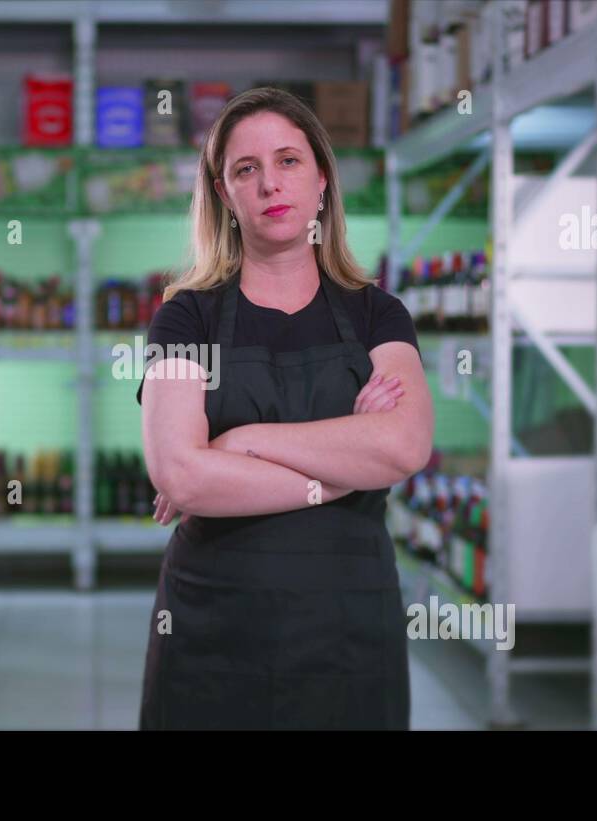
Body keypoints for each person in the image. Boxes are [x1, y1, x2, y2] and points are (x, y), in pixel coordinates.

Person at [135, 87, 433, 730]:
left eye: (289, 161)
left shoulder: (377, 313)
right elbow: (181, 475)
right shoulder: (185, 316)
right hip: (215, 627)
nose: (270, 182)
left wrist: (239, 441)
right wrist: (347, 463)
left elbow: (405, 448)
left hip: (348, 630)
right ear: (224, 195)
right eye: (247, 169)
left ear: (322, 179)